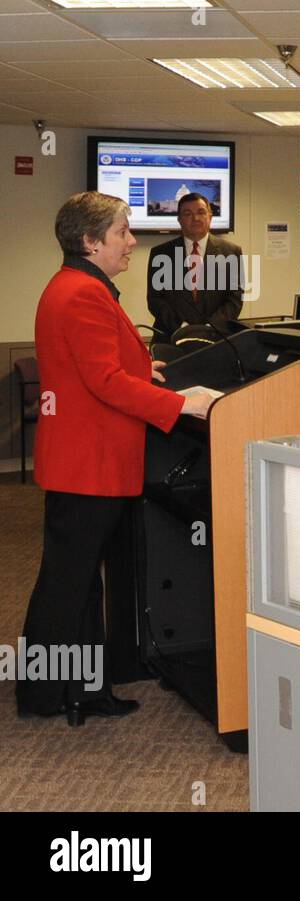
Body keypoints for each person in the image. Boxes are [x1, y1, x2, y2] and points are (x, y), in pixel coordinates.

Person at [19, 192, 213, 726]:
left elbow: (96, 367)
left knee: (78, 583)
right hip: (89, 464)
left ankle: (81, 689)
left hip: (85, 460)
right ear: (89, 241)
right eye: (123, 232)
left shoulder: (78, 286)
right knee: (68, 584)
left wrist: (139, 372)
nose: (132, 242)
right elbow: (103, 382)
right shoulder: (82, 293)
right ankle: (42, 694)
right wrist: (180, 402)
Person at [146, 192, 243, 340]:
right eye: (187, 214)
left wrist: (210, 329)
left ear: (210, 217)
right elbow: (155, 299)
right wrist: (182, 328)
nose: (195, 218)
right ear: (179, 219)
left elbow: (235, 298)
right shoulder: (160, 253)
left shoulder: (232, 252)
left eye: (201, 212)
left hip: (218, 340)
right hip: (171, 340)